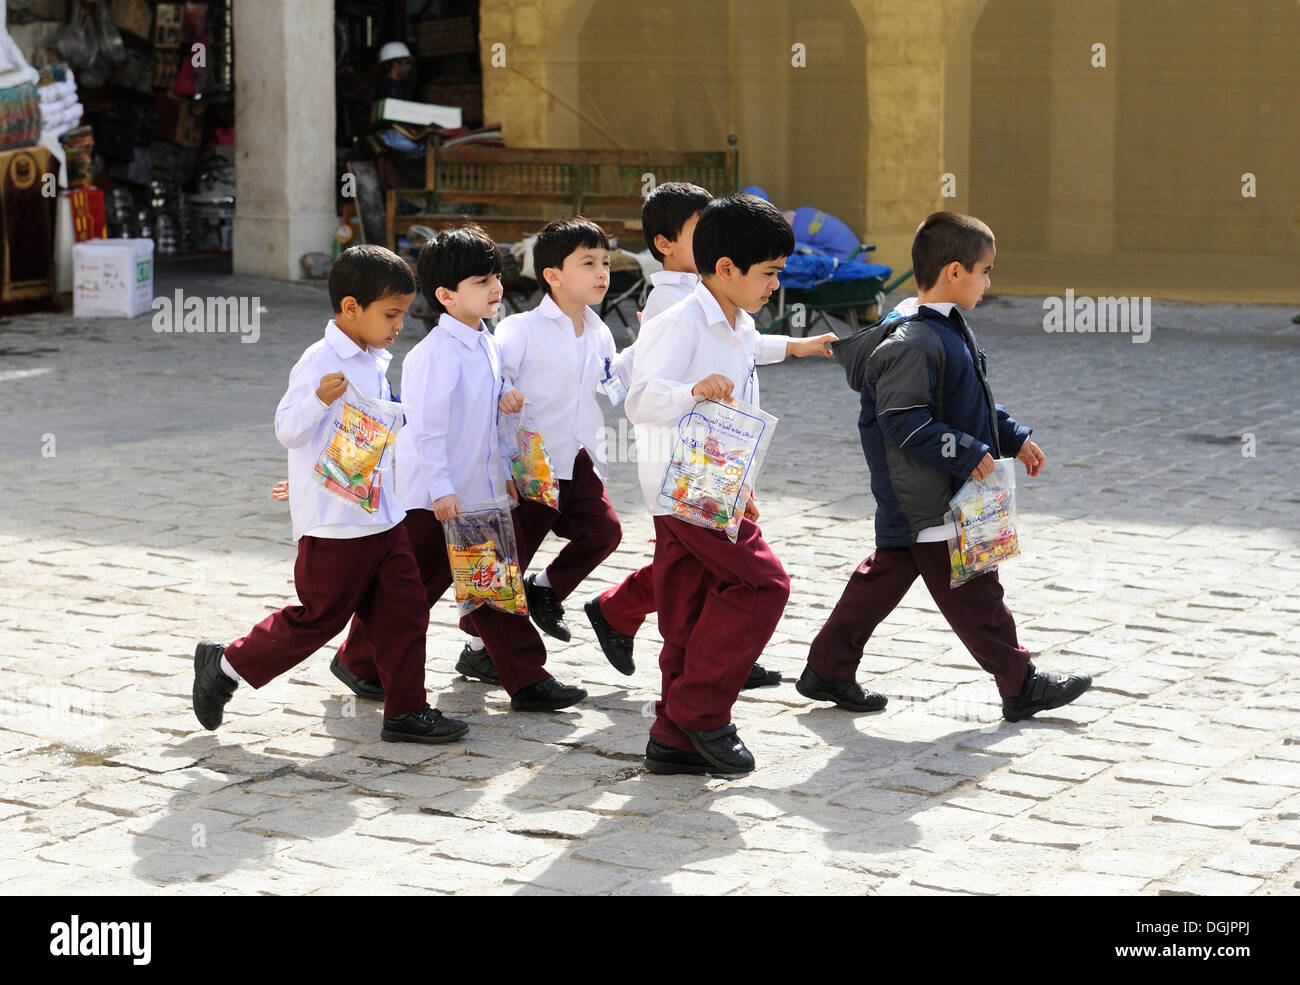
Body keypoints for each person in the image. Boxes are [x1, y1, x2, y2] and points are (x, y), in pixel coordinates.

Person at [796, 211, 1092, 723]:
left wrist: (1012, 437)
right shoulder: (912, 342)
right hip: (928, 496)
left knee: (882, 578)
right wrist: (967, 450)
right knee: (975, 589)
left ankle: (827, 667)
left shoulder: (949, 328)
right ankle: (1019, 683)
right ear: (954, 272)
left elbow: (970, 405)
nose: (989, 281)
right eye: (985, 270)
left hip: (929, 492)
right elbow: (903, 423)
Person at [191, 245, 468, 745]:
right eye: (391, 314)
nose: (398, 326)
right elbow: (287, 430)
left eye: (402, 315)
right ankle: (226, 664)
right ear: (349, 308)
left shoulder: (374, 360)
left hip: (385, 516)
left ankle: (406, 710)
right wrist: (319, 400)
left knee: (405, 609)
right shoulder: (318, 362)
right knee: (320, 617)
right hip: (335, 525)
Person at [332, 225, 588, 713]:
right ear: (446, 295)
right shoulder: (433, 354)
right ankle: (358, 660)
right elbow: (426, 430)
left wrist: (504, 438)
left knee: (492, 583)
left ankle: (527, 679)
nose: (495, 289)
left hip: (479, 491)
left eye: (495, 277)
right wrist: (441, 489)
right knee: (412, 590)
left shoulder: (486, 343)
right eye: (480, 281)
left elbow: (484, 416)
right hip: (434, 498)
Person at [589, 183, 831, 690]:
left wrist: (798, 346)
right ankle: (700, 704)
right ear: (725, 268)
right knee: (763, 583)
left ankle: (675, 728)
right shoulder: (676, 319)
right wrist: (691, 392)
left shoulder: (738, 319)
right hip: (687, 484)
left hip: (716, 481)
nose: (775, 285)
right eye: (769, 273)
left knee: (684, 610)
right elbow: (640, 400)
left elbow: (750, 354)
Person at [450, 218, 625, 685]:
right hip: (528, 460)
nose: (601, 272)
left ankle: (545, 590)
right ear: (553, 275)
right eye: (588, 263)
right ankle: (478, 647)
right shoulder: (521, 329)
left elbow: (615, 386)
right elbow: (492, 376)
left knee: (604, 531)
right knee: (511, 557)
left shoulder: (600, 331)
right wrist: (506, 396)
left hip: (578, 454)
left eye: (605, 262)